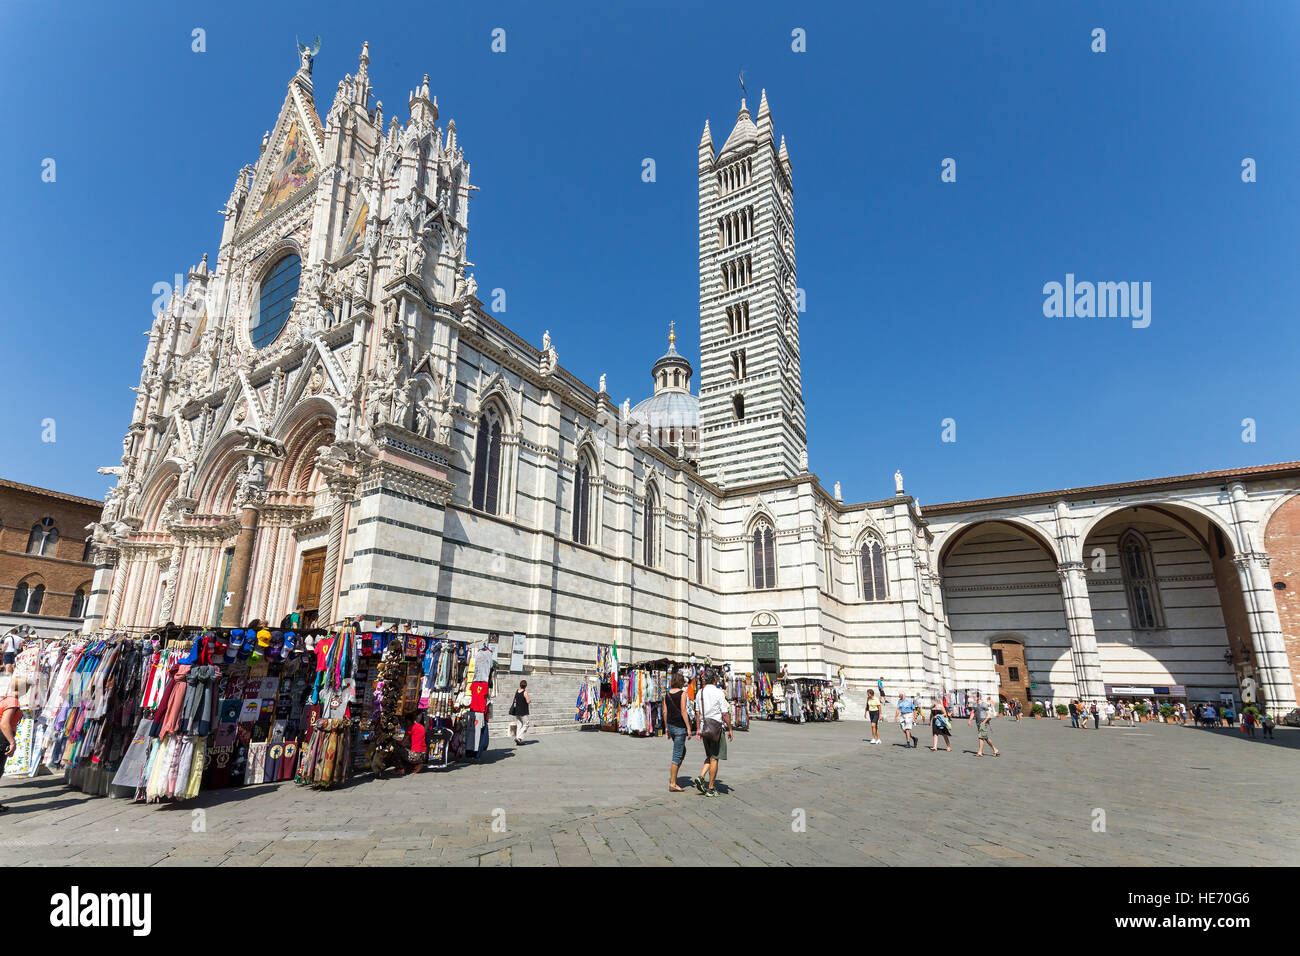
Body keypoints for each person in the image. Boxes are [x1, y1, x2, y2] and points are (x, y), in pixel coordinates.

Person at [693, 669, 732, 797]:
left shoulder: (700, 693)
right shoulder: (718, 692)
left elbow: (697, 713)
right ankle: (710, 788)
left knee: (710, 755)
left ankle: (701, 776)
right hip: (716, 728)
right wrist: (730, 729)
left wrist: (698, 729)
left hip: (705, 728)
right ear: (714, 679)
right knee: (715, 758)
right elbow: (725, 713)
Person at [664, 673, 691, 791]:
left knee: (682, 751)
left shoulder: (667, 694)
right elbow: (684, 711)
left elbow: (665, 712)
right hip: (680, 727)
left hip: (670, 725)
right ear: (680, 682)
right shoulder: (683, 694)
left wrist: (666, 727)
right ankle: (673, 783)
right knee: (677, 754)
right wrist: (689, 728)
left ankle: (673, 777)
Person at [509, 680, 531, 744]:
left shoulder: (517, 691)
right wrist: (530, 700)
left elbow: (515, 700)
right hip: (523, 711)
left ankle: (518, 739)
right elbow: (527, 701)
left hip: (517, 711)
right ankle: (518, 738)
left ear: (520, 685)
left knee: (519, 724)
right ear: (525, 686)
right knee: (526, 724)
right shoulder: (525, 692)